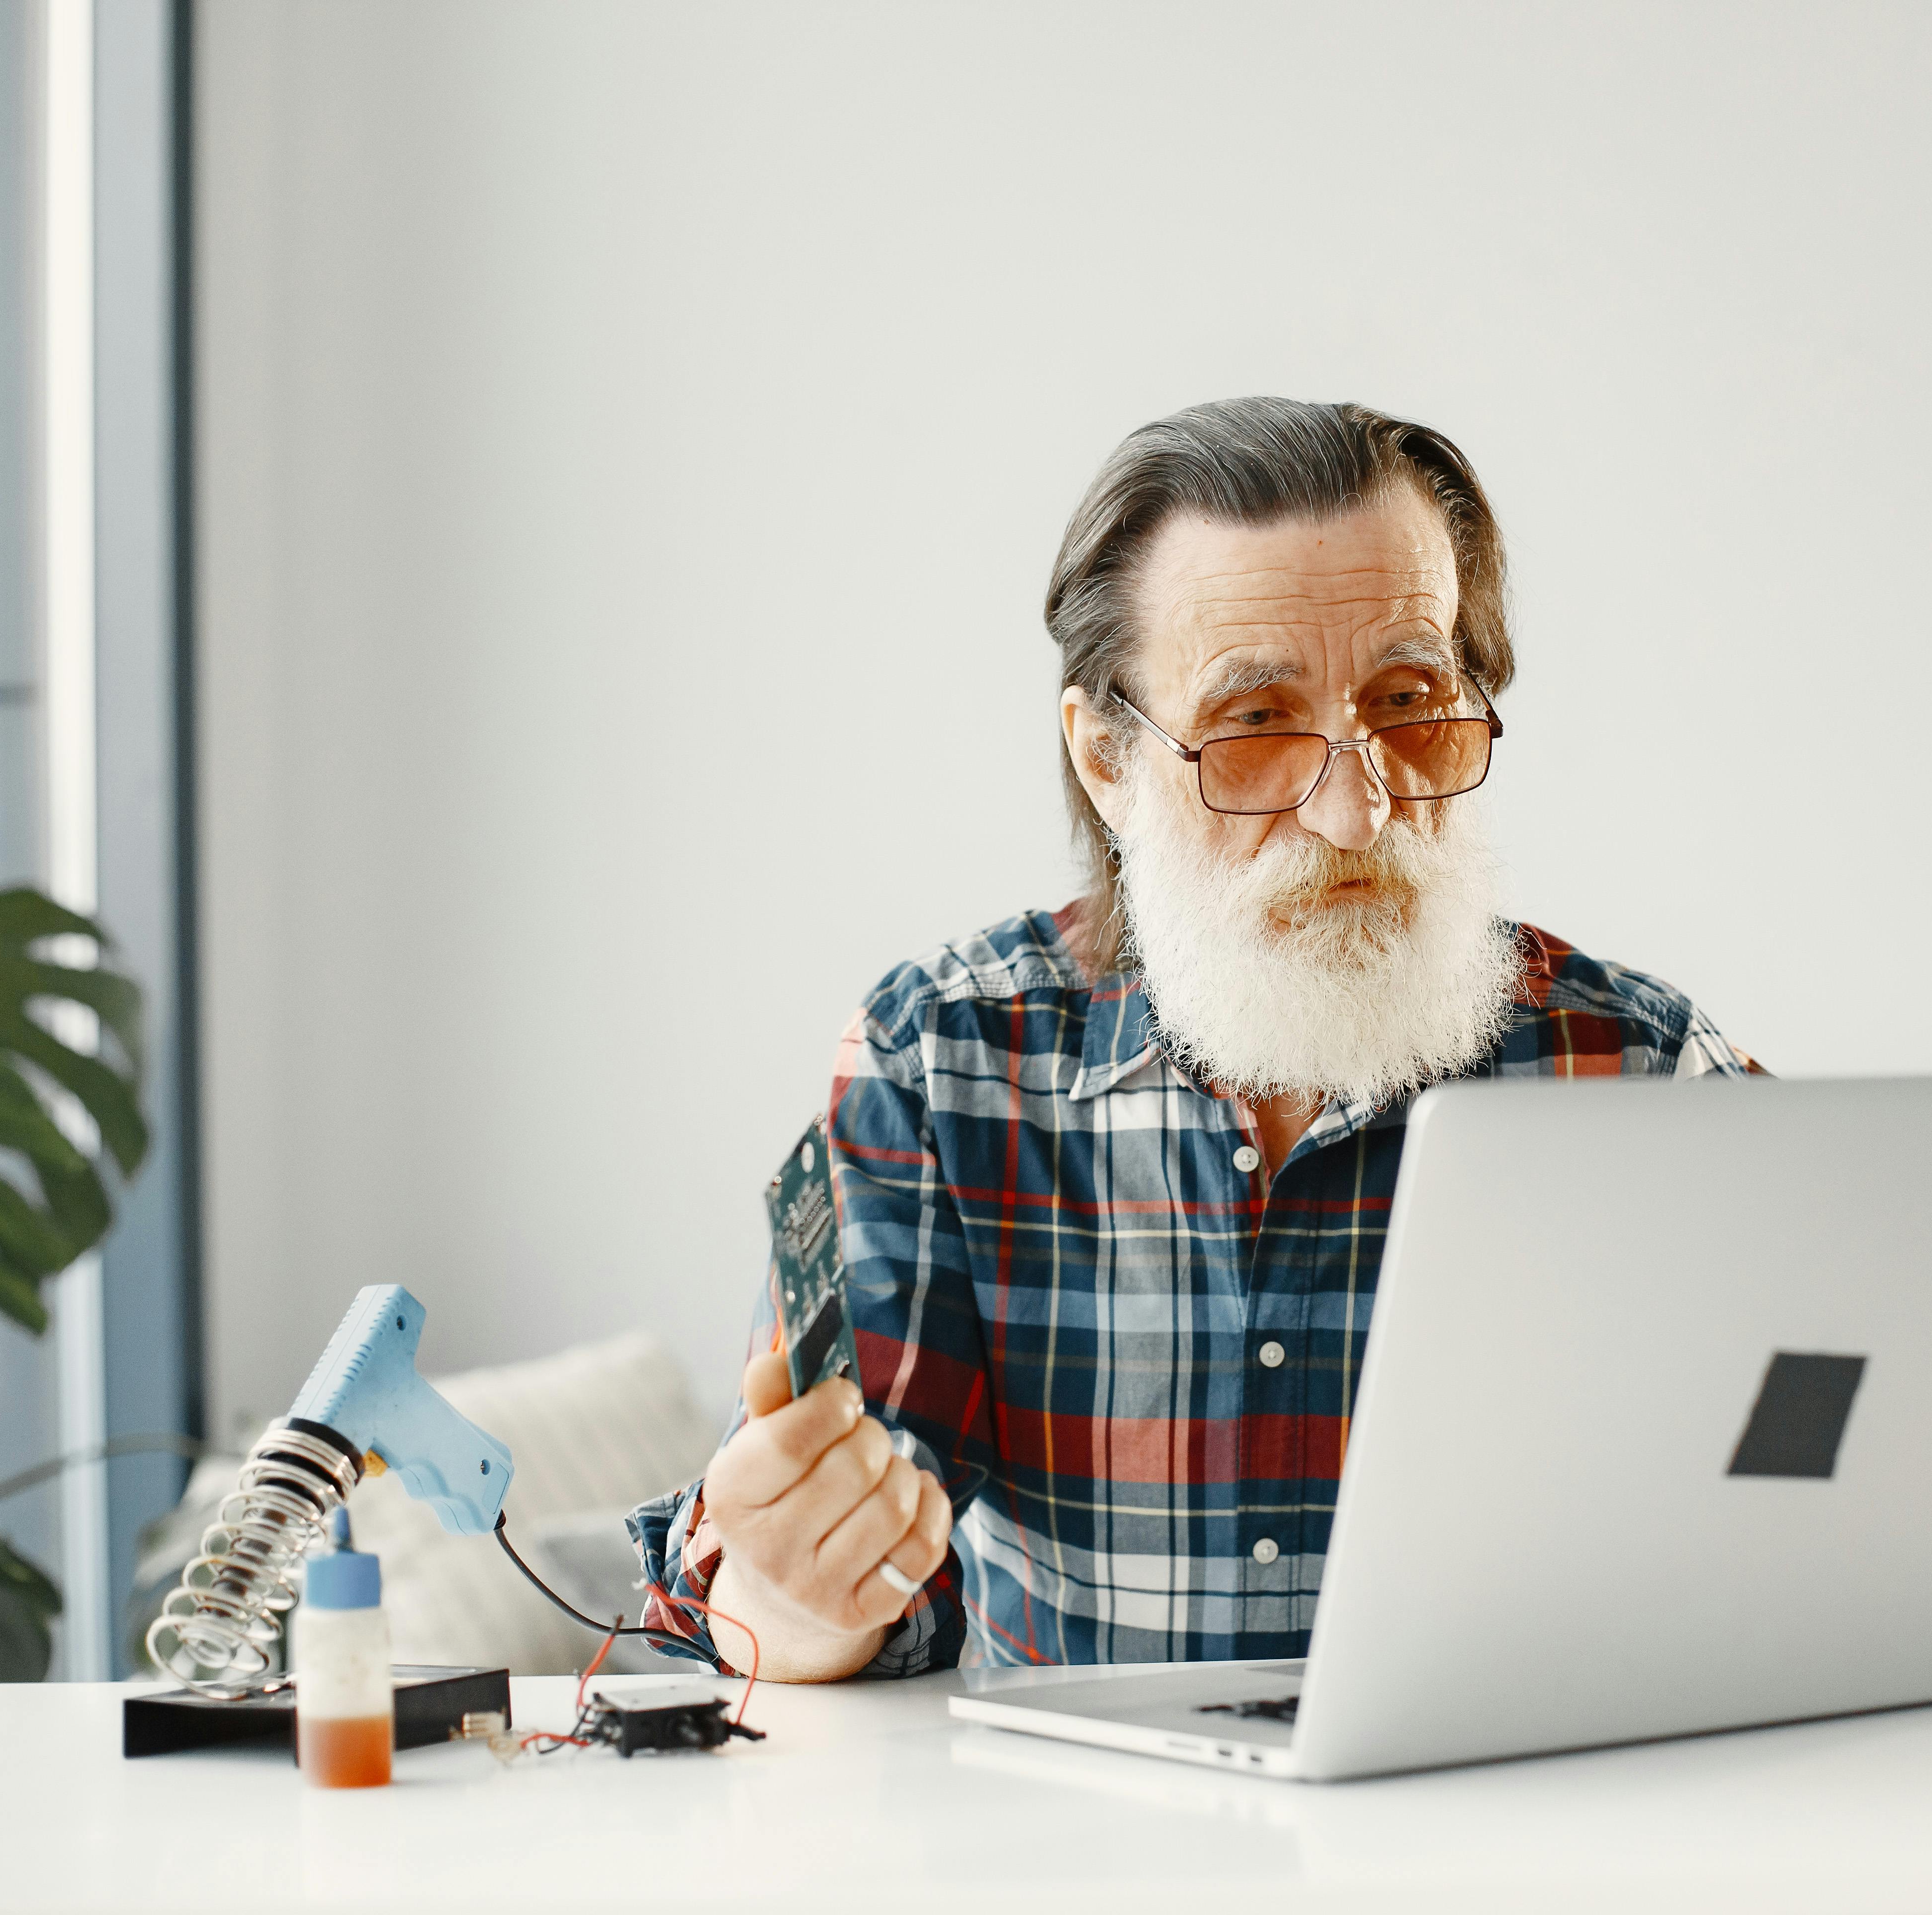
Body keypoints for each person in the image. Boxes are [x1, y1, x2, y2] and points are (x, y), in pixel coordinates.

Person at [632, 397, 1746, 1680]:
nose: (1352, 810)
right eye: (1257, 727)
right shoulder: (942, 1069)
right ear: (1108, 758)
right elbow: (826, 1615)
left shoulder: (1646, 1075)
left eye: (1409, 700)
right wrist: (800, 1587)